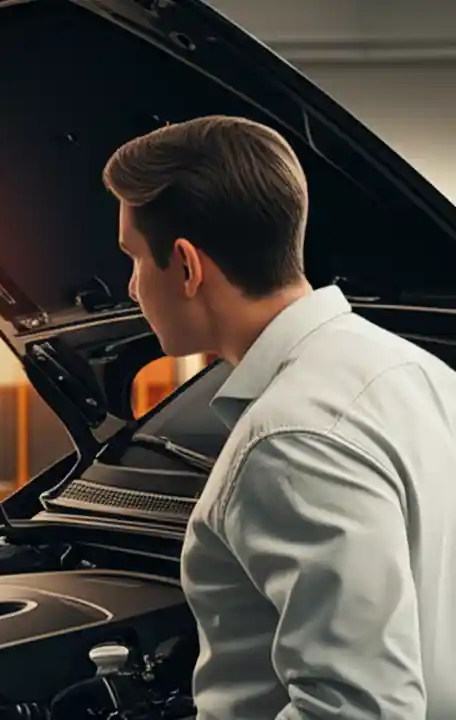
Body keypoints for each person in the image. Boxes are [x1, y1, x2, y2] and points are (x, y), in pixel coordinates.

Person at [103, 115, 454, 719]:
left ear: (187, 267)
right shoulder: (416, 370)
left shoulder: (290, 439)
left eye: (134, 258)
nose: (132, 288)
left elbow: (358, 710)